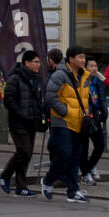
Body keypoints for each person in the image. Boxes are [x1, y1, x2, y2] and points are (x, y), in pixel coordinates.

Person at [42, 46, 91, 204]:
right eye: (80, 57)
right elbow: (50, 96)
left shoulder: (85, 76)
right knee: (64, 154)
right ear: (71, 59)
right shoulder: (60, 75)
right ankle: (48, 180)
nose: (83, 60)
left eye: (84, 58)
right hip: (62, 121)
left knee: (75, 157)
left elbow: (84, 99)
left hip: (79, 122)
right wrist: (65, 111)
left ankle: (73, 191)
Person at [0, 50, 43, 197]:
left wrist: (41, 117)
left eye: (39, 62)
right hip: (18, 122)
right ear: (26, 63)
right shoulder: (15, 78)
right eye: (35, 62)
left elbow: (38, 101)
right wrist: (21, 114)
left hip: (32, 122)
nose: (38, 65)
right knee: (23, 150)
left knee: (27, 154)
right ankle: (5, 175)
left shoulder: (36, 78)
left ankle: (21, 186)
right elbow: (9, 100)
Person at [79, 57, 109, 185]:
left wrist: (104, 112)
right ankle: (85, 174)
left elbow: (102, 98)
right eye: (91, 66)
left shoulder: (98, 81)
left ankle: (89, 167)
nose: (94, 68)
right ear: (85, 68)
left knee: (100, 146)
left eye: (96, 66)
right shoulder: (82, 81)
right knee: (83, 148)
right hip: (85, 118)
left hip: (96, 117)